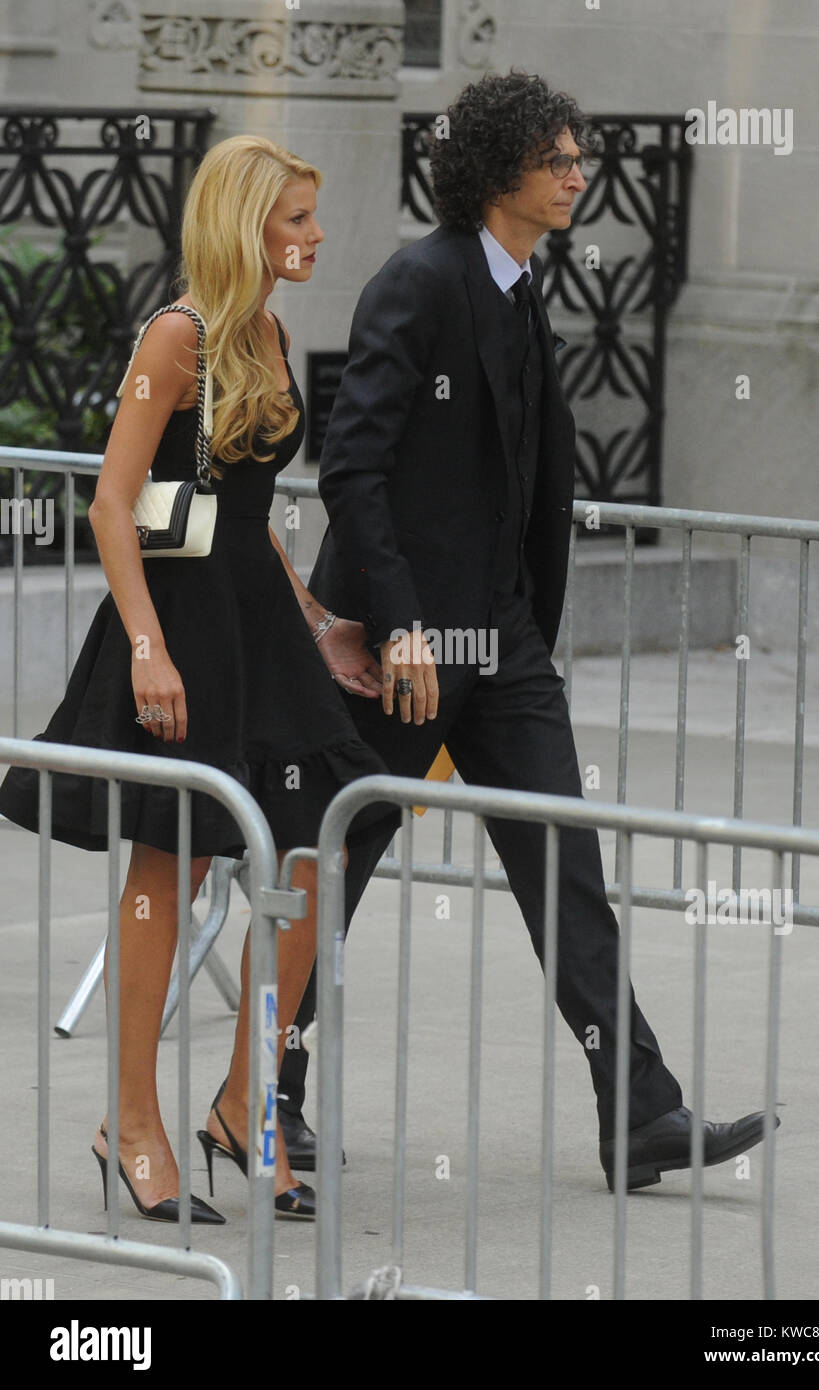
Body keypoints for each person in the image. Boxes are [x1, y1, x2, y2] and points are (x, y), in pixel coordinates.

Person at [278, 71, 779, 1192]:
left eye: (574, 158)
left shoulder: (519, 286)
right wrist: (398, 629)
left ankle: (640, 1112)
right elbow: (353, 467)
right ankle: (266, 1093)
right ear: (499, 169)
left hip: (502, 647)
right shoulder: (418, 280)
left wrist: (514, 632)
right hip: (413, 649)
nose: (575, 176)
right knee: (336, 863)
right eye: (556, 160)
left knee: (567, 874)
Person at [0, 134, 392, 1222]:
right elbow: (112, 503)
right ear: (245, 223)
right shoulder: (176, 336)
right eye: (297, 219)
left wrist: (319, 623)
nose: (315, 237)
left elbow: (248, 518)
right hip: (174, 627)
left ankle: (245, 1104)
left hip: (257, 624)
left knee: (323, 839)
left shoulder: (265, 326)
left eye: (313, 217)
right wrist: (144, 648)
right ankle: (130, 1124)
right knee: (164, 871)